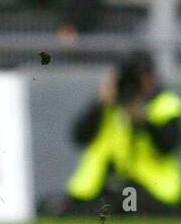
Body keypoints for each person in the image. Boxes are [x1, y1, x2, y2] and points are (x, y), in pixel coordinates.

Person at [66, 55, 180, 212]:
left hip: (152, 188)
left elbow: (167, 147)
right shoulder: (109, 105)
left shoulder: (165, 104)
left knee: (129, 206)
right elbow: (79, 136)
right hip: (101, 185)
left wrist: (143, 120)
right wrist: (100, 104)